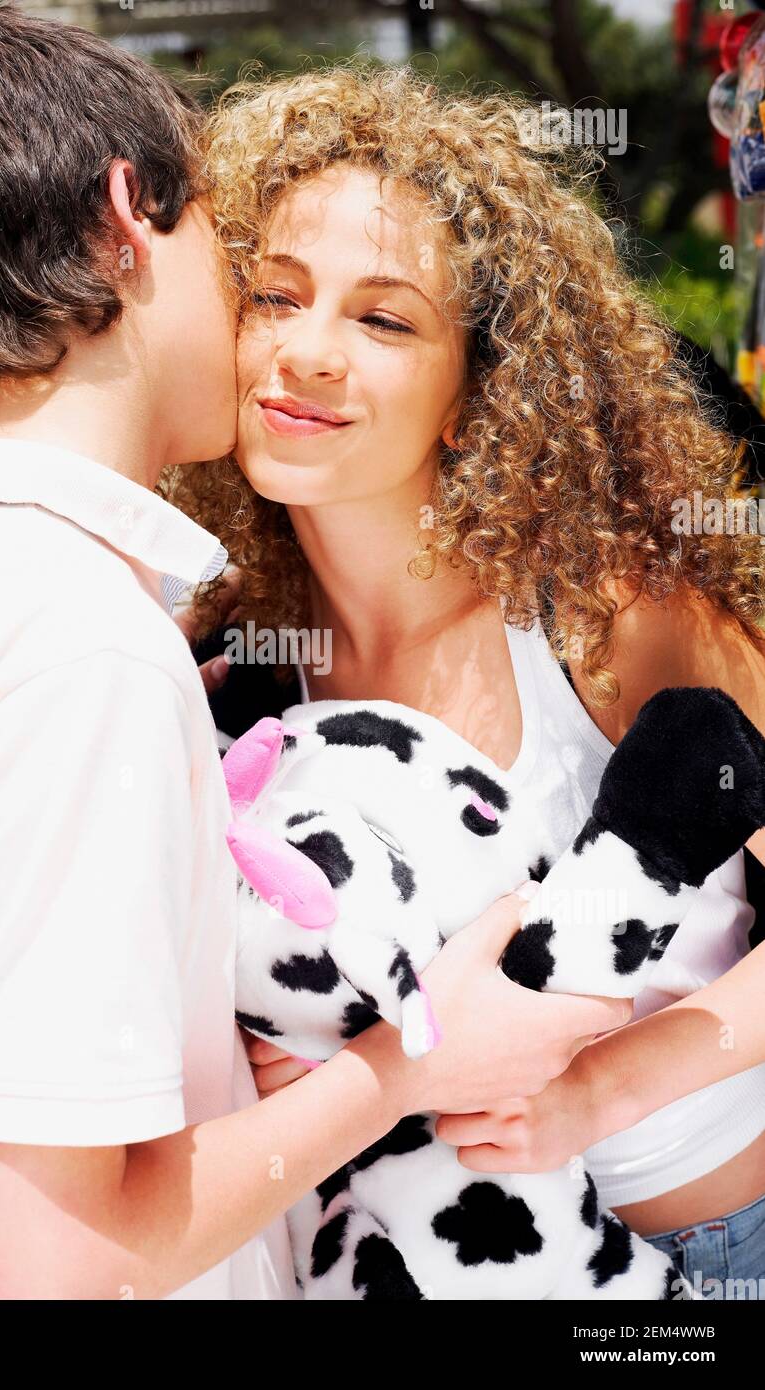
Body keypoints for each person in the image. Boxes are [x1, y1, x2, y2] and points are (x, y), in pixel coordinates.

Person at [0, 4, 622, 1301]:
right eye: (229, 251)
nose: (252, 306)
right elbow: (46, 1264)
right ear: (130, 217)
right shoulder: (86, 653)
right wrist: (413, 1058)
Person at [173, 66, 765, 1294]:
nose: (310, 351)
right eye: (273, 296)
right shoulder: (232, 670)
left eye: (384, 320)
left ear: (473, 395)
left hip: (705, 1260)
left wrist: (595, 1085)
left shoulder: (597, 609)